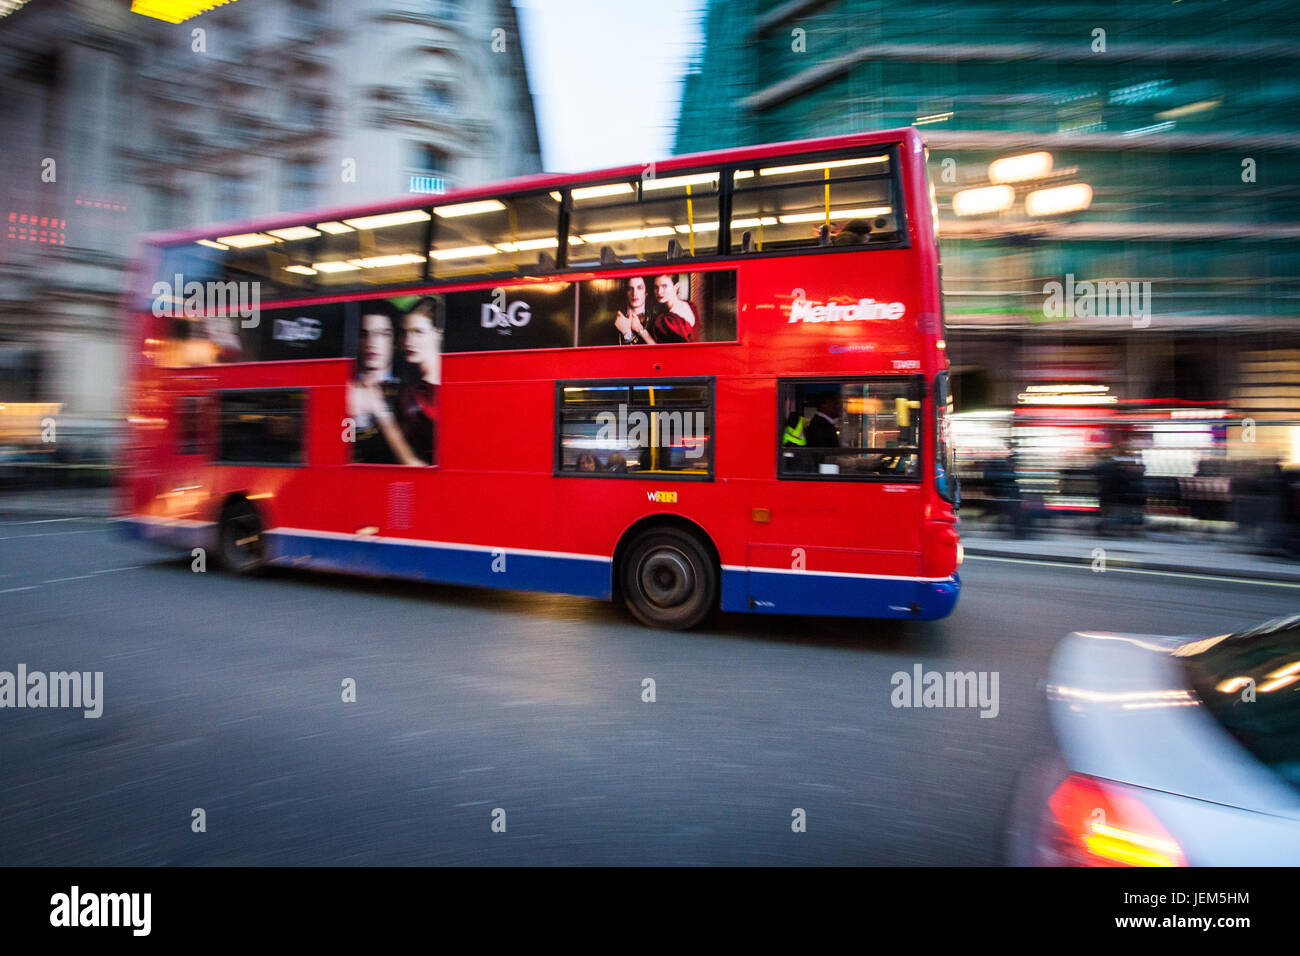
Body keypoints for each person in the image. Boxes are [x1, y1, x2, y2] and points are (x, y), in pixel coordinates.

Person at [347, 307, 404, 464]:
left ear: (394, 342)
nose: (372, 343)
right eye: (364, 334)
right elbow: (345, 441)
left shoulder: (409, 390)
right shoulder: (346, 389)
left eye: (382, 334)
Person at [392, 297, 442, 466]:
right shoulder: (407, 392)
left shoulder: (460, 381)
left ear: (438, 333)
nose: (408, 342)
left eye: (418, 332)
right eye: (404, 333)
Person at [633, 274, 697, 344]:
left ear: (676, 286)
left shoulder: (666, 320)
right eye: (656, 287)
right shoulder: (690, 305)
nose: (659, 292)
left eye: (664, 286)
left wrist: (639, 329)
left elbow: (660, 351)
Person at [614, 277, 651, 345]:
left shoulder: (656, 320)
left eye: (639, 288)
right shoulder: (615, 320)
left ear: (646, 292)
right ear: (626, 292)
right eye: (630, 289)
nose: (634, 293)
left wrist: (628, 334)